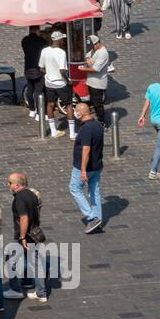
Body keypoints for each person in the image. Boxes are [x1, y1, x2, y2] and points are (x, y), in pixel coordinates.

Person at [6, 171, 47, 302]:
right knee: (35, 262)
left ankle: (15, 290)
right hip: (34, 234)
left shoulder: (19, 198)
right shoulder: (32, 194)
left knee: (10, 260)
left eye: (10, 182)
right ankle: (40, 291)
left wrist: (22, 237)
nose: (8, 184)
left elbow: (24, 218)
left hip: (24, 236)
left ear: (17, 185)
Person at [69, 100, 105, 233]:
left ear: (81, 113)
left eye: (75, 111)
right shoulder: (97, 125)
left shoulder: (85, 129)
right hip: (97, 165)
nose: (74, 113)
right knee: (94, 192)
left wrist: (83, 169)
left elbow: (86, 150)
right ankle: (98, 219)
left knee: (74, 188)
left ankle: (91, 217)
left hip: (85, 167)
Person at [40, 29, 75, 139]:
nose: (63, 42)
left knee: (50, 105)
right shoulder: (61, 52)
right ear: (59, 40)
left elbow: (41, 68)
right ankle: (72, 133)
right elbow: (62, 70)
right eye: (62, 40)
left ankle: (54, 131)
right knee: (69, 105)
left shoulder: (44, 51)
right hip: (60, 83)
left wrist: (49, 73)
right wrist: (68, 80)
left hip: (49, 83)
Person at [78, 33, 110, 126]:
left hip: (98, 83)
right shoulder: (94, 50)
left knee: (98, 103)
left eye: (93, 46)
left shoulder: (103, 53)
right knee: (92, 101)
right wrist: (88, 58)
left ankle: (102, 122)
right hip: (91, 82)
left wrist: (83, 69)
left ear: (97, 43)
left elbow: (96, 69)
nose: (92, 48)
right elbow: (88, 55)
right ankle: (96, 118)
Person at [138, 66, 160, 179]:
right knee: (159, 146)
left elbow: (147, 102)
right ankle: (153, 172)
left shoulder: (152, 87)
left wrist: (142, 116)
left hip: (154, 121)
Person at [21, 25, 47, 119]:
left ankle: (32, 110)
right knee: (39, 91)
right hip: (38, 68)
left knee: (30, 89)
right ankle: (39, 113)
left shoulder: (24, 40)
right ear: (37, 30)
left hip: (28, 68)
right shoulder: (41, 41)